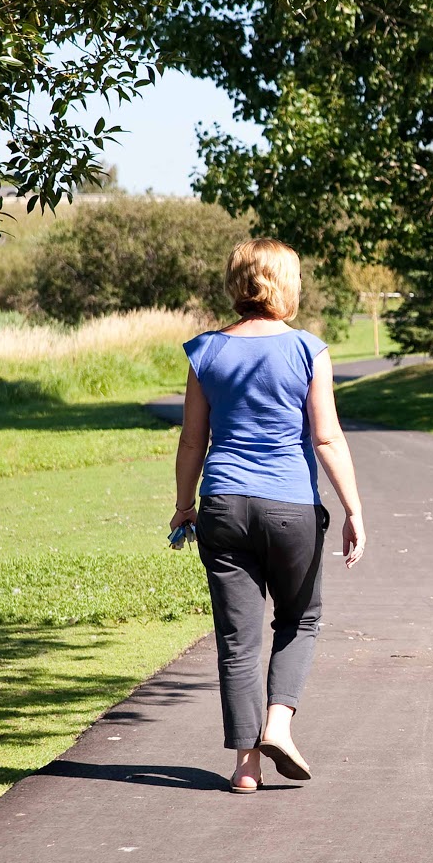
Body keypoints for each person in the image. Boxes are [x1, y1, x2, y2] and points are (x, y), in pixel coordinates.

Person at [170, 238, 366, 794]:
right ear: (286, 284)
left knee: (237, 639)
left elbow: (192, 442)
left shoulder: (205, 350)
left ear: (239, 283)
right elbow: (325, 437)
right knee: (299, 618)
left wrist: (185, 506)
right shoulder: (308, 350)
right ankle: (279, 725)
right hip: (291, 508)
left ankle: (245, 766)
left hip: (224, 505)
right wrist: (353, 509)